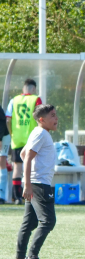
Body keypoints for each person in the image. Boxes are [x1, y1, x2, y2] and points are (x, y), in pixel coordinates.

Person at [11, 104, 59, 259]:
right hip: (39, 184)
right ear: (41, 119)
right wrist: (28, 184)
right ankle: (31, 258)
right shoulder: (41, 133)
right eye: (52, 115)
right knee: (48, 221)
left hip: (35, 183)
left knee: (30, 222)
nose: (56, 119)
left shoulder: (38, 133)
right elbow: (28, 156)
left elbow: (23, 153)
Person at [6, 78, 42, 206]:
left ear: (23, 88)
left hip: (17, 138)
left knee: (17, 167)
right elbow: (41, 118)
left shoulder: (13, 100)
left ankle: (17, 197)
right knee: (33, 167)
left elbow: (8, 120)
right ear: (34, 88)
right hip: (32, 139)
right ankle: (32, 197)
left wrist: (12, 134)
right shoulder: (36, 99)